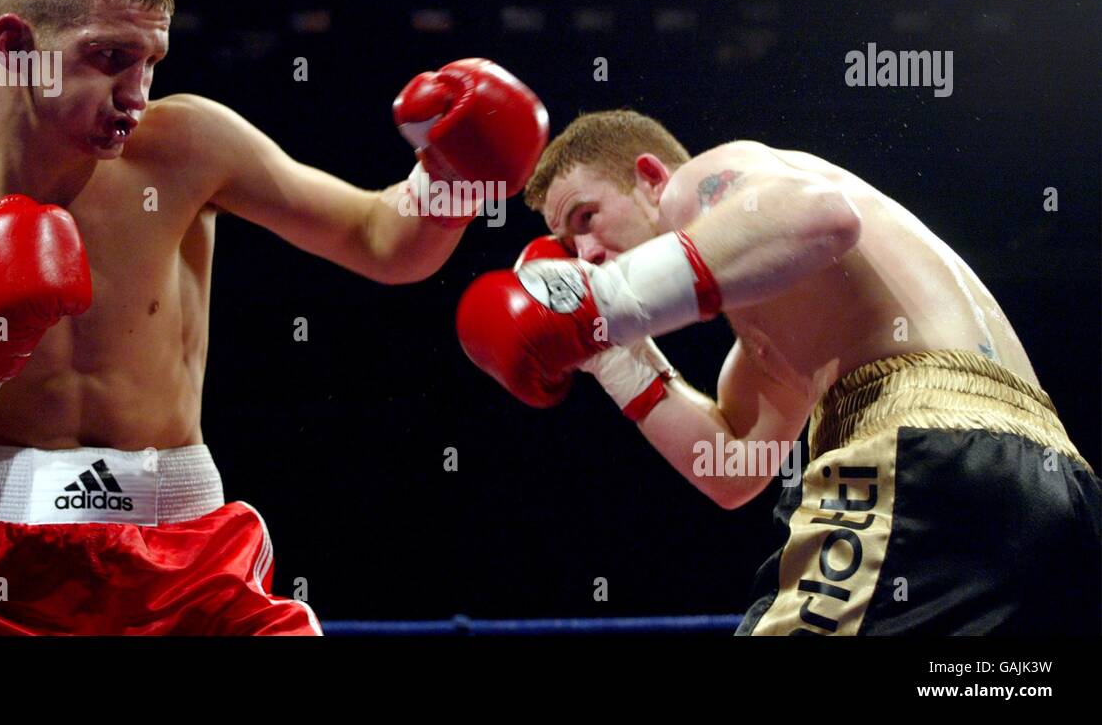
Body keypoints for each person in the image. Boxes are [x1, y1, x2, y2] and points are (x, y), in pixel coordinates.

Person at [0, 0, 548, 635]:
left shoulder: (186, 146)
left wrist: (456, 177)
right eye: (110, 58)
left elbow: (383, 240)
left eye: (151, 62)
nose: (137, 93)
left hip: (190, 573)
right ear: (15, 47)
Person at [457, 108, 1100, 634]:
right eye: (569, 251)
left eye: (585, 219)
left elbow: (819, 215)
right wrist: (609, 354)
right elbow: (733, 469)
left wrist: (605, 302)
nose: (587, 255)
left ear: (648, 176)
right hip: (1051, 488)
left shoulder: (701, 182)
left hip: (922, 457)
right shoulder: (787, 331)